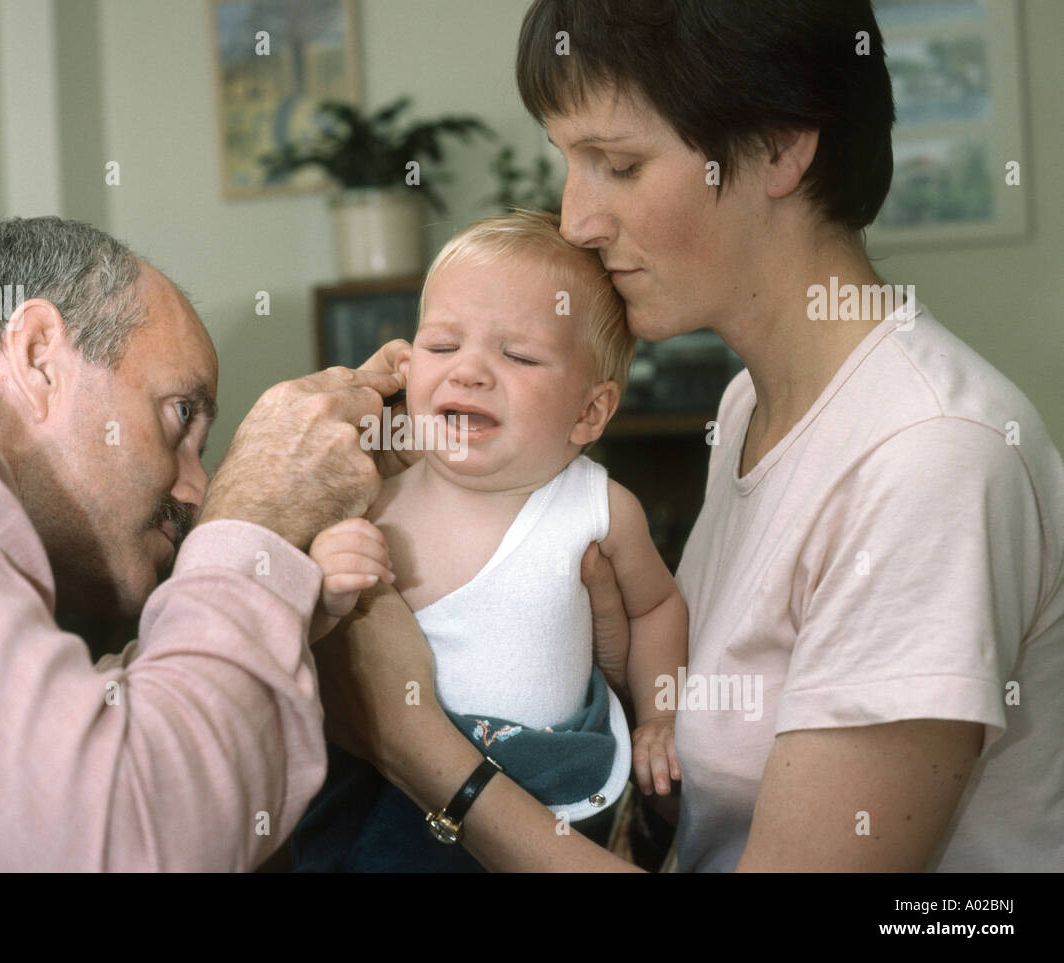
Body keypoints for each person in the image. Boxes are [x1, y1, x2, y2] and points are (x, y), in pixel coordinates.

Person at [312, 0, 1064, 871]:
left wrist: (419, 748)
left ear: (781, 146)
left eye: (618, 164)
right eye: (569, 163)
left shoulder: (930, 459)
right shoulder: (752, 402)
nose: (577, 220)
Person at [0, 215, 405, 870]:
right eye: (181, 413)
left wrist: (282, 615)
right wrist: (257, 521)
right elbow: (110, 839)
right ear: (40, 356)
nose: (198, 490)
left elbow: (75, 758)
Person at [294, 211, 687, 870]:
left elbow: (656, 607)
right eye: (443, 346)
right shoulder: (373, 492)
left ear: (590, 411)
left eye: (519, 354)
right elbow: (314, 651)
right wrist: (324, 586)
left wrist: (660, 714)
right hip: (386, 795)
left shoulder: (597, 507)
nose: (469, 370)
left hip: (549, 792)